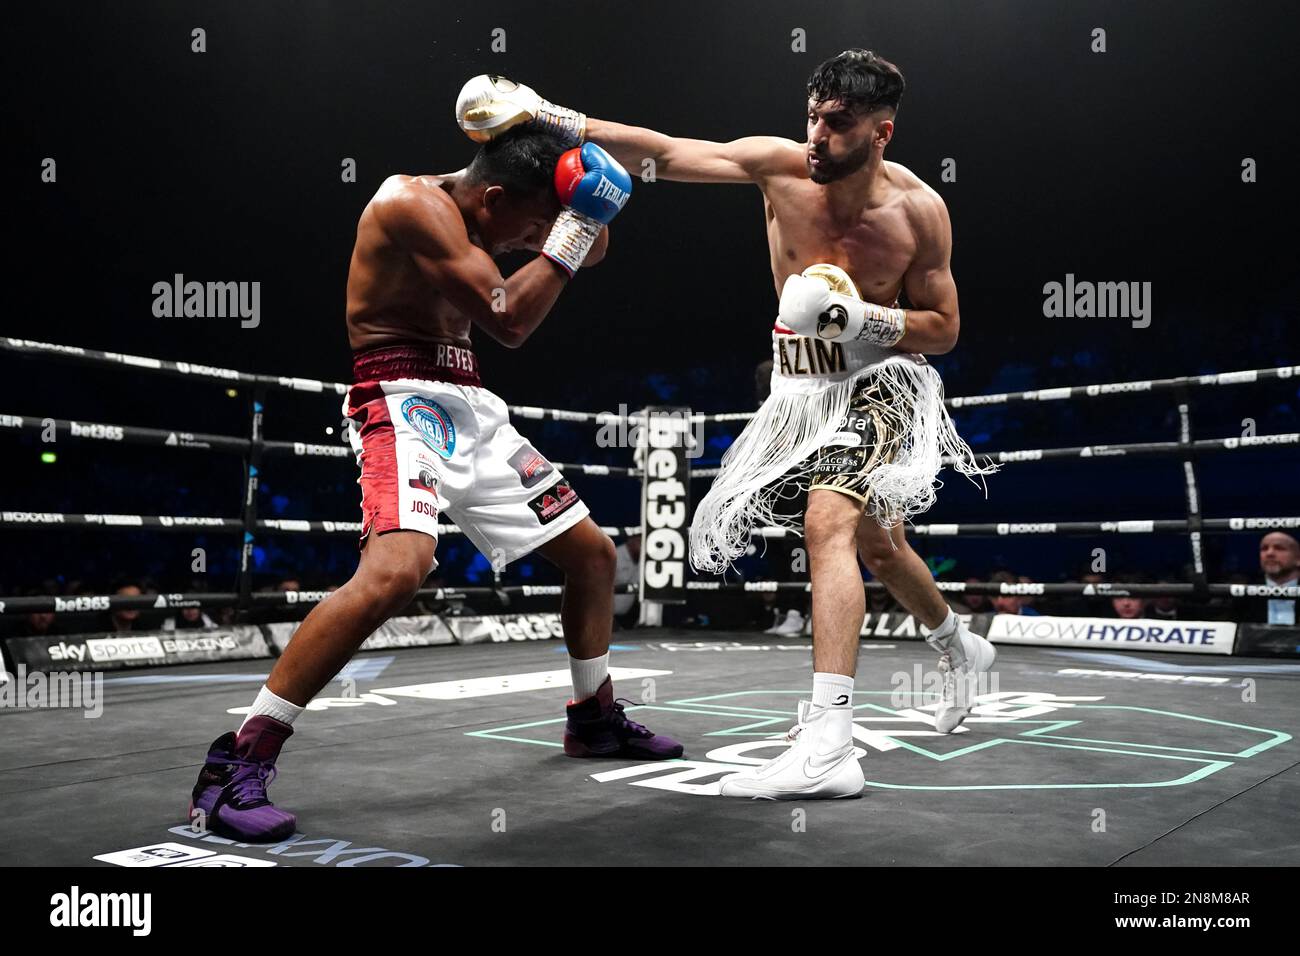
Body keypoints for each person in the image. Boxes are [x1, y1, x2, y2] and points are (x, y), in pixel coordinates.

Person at [454, 51, 999, 798]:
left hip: (883, 379)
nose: (816, 136)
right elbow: (665, 151)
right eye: (812, 116)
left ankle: (830, 741)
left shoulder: (918, 212)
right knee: (880, 540)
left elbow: (943, 328)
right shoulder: (779, 168)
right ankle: (958, 644)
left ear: (882, 133)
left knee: (828, 522)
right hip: (800, 389)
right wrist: (546, 112)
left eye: (837, 125)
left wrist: (854, 316)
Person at [189, 125, 682, 842]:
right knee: (398, 571)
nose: (528, 240)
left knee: (593, 556)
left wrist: (586, 208)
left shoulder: (494, 213)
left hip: (472, 405)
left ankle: (594, 720)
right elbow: (510, 319)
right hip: (399, 398)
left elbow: (591, 242)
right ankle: (234, 763)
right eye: (529, 223)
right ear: (492, 196)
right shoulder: (408, 202)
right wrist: (571, 231)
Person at [1258, 531, 1300, 624]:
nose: (1269, 553)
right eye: (1264, 548)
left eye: (1279, 548)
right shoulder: (1240, 598)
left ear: (1298, 558)